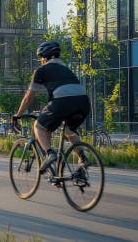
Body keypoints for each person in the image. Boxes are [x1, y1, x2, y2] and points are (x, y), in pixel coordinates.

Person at [13, 41, 91, 173]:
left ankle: (50, 154)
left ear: (44, 57)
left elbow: (28, 97)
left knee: (39, 126)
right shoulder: (67, 69)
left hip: (62, 102)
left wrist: (18, 114)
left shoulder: (41, 71)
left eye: (40, 58)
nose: (40, 61)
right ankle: (83, 158)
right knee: (68, 130)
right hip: (83, 102)